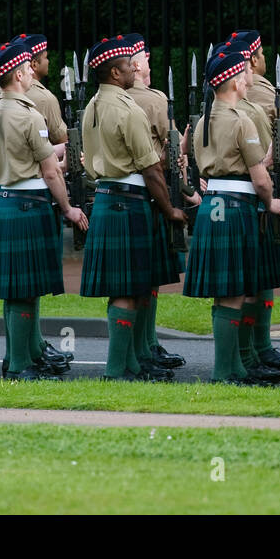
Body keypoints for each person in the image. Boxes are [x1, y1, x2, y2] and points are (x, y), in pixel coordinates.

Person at [79, 36, 186, 382]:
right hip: (130, 201)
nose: (133, 68)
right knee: (128, 290)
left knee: (132, 288)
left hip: (109, 198)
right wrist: (170, 210)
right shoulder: (127, 109)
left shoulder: (93, 106)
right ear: (115, 72)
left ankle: (132, 364)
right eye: (128, 64)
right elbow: (152, 169)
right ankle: (116, 369)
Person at [184, 46, 280, 384]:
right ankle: (225, 371)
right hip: (236, 205)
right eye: (243, 74)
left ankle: (233, 367)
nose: (248, 79)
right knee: (234, 291)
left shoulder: (202, 120)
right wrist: (271, 200)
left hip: (214, 203)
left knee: (225, 291)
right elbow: (258, 177)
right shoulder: (240, 119)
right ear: (231, 80)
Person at [0, 41, 89, 380]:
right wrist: (69, 207)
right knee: (24, 291)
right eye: (27, 68)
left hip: (7, 201)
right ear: (16, 74)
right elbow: (49, 171)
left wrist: (60, 152)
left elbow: (29, 156)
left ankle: (22, 355)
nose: (32, 71)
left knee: (18, 291)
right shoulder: (28, 114)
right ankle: (19, 365)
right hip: (30, 204)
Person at [238, 29, 280, 372]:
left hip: (243, 191)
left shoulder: (218, 98)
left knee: (252, 278)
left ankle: (253, 351)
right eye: (261, 53)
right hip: (263, 187)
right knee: (256, 279)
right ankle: (254, 351)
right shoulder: (269, 95)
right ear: (252, 59)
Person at [125, 33, 189, 373]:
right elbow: (172, 149)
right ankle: (143, 348)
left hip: (136, 191)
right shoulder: (153, 100)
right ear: (136, 64)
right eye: (145, 57)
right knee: (145, 278)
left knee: (144, 278)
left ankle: (147, 343)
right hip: (154, 190)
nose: (149, 60)